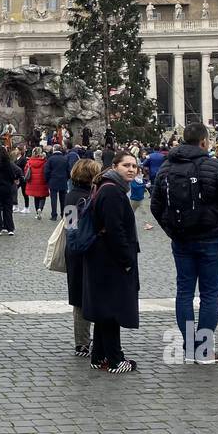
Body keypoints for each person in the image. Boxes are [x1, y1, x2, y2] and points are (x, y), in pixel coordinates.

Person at [151, 123, 218, 362]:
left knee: (184, 293)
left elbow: (156, 206)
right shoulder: (214, 166)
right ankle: (204, 349)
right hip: (212, 239)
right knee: (209, 295)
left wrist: (171, 230)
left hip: (181, 240)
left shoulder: (167, 167)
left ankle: (190, 347)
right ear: (204, 142)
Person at [81, 151, 140, 373]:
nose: (132, 169)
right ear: (115, 166)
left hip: (102, 257)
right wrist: (126, 260)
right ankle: (115, 359)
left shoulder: (105, 186)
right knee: (112, 310)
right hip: (110, 259)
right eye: (126, 165)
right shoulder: (113, 192)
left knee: (104, 309)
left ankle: (99, 355)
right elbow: (115, 231)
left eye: (135, 165)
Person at [65, 157, 101, 356]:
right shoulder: (96, 196)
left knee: (78, 298)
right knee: (93, 295)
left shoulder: (71, 196)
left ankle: (82, 342)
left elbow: (70, 226)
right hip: (92, 250)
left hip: (74, 251)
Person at [0, 145, 21, 235]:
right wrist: (14, 179)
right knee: (7, 209)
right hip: (7, 188)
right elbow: (13, 174)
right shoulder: (8, 164)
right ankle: (9, 228)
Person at [44, 144, 71, 221]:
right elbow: (68, 170)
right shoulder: (65, 159)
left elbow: (46, 171)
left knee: (53, 199)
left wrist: (47, 180)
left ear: (54, 150)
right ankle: (63, 214)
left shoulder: (50, 159)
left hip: (53, 180)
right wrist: (67, 178)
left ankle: (54, 215)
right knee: (63, 199)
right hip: (63, 180)